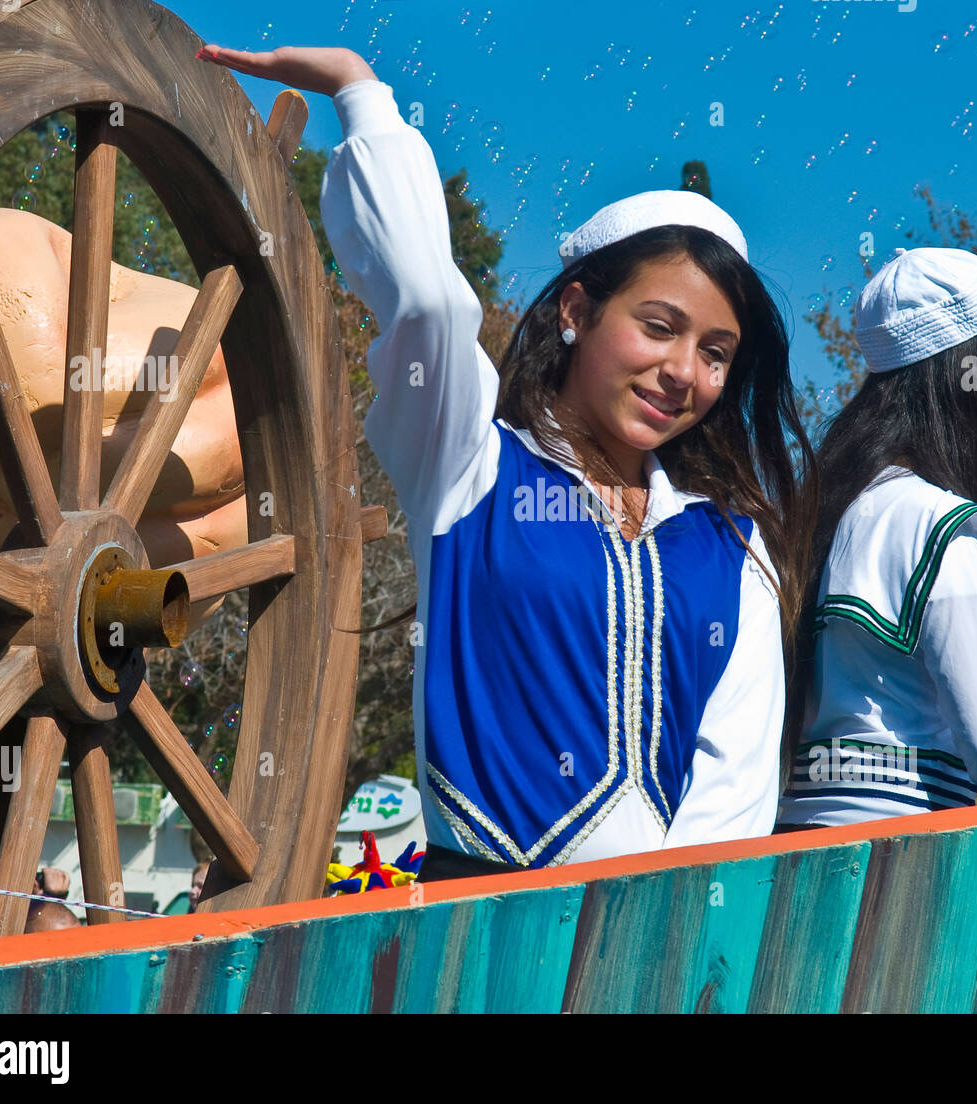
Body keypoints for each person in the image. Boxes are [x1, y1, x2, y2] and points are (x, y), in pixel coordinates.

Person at [198, 44, 815, 876]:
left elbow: (732, 799)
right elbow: (427, 303)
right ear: (576, 310)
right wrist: (361, 93)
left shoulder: (736, 551)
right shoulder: (468, 465)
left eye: (716, 352)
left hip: (650, 951)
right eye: (659, 327)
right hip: (467, 937)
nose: (684, 372)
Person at [777, 247, 977, 829]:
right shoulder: (937, 522)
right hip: (899, 858)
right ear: (975, 383)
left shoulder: (819, 508)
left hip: (784, 837)